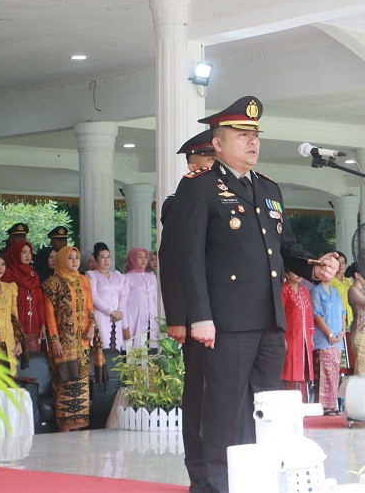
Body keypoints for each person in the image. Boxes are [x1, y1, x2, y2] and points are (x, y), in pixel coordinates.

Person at [160, 96, 338, 493]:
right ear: (218, 143)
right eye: (242, 135)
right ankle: (215, 483)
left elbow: (286, 248)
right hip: (224, 320)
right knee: (221, 407)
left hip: (268, 319)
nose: (253, 142)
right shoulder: (200, 188)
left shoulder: (269, 190)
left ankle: (254, 480)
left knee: (263, 409)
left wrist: (314, 266)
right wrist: (196, 316)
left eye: (255, 135)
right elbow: (186, 257)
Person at [159, 128, 216, 493]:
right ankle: (200, 474)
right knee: (199, 395)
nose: (215, 165)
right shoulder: (180, 200)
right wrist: (178, 317)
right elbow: (173, 260)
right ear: (194, 162)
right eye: (210, 159)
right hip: (197, 317)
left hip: (225, 313)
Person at [42, 246, 99, 431]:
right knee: (64, 386)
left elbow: (90, 308)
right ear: (60, 260)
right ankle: (65, 429)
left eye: (76, 257)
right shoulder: (53, 284)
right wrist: (54, 339)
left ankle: (79, 428)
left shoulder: (83, 280)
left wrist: (92, 326)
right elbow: (49, 315)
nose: (75, 261)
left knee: (80, 386)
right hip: (62, 346)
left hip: (82, 343)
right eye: (70, 258)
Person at [311, 273, 346, 415]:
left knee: (334, 373)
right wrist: (329, 333)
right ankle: (324, 406)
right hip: (324, 339)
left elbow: (343, 312)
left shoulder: (336, 292)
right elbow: (316, 314)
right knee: (325, 371)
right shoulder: (315, 291)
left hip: (337, 340)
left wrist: (343, 330)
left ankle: (333, 406)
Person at [3, 240, 46, 352]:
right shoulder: (8, 274)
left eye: (29, 252)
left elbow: (39, 302)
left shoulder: (33, 274)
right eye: (23, 252)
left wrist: (42, 324)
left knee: (32, 362)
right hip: (15, 327)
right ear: (16, 253)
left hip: (33, 327)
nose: (28, 255)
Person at [87, 242, 129, 353]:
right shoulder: (92, 275)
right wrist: (110, 311)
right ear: (96, 260)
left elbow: (123, 295)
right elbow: (93, 296)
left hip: (117, 317)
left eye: (108, 257)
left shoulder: (117, 275)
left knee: (116, 347)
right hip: (102, 316)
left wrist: (119, 312)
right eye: (102, 257)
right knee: (104, 347)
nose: (106, 260)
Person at [280, 271, 315, 404]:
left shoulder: (305, 291)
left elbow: (310, 315)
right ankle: (288, 404)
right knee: (290, 371)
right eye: (294, 271)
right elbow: (280, 316)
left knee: (303, 372)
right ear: (287, 274)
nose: (299, 274)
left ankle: (301, 404)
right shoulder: (283, 290)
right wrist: (282, 337)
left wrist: (311, 336)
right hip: (291, 337)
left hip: (305, 339)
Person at [123, 247, 160, 351]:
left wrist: (158, 321)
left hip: (152, 320)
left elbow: (156, 300)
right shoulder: (127, 278)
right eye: (139, 257)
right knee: (136, 354)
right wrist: (125, 326)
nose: (143, 260)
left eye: (145, 257)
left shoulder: (151, 276)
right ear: (133, 259)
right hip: (135, 321)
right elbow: (123, 304)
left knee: (152, 353)